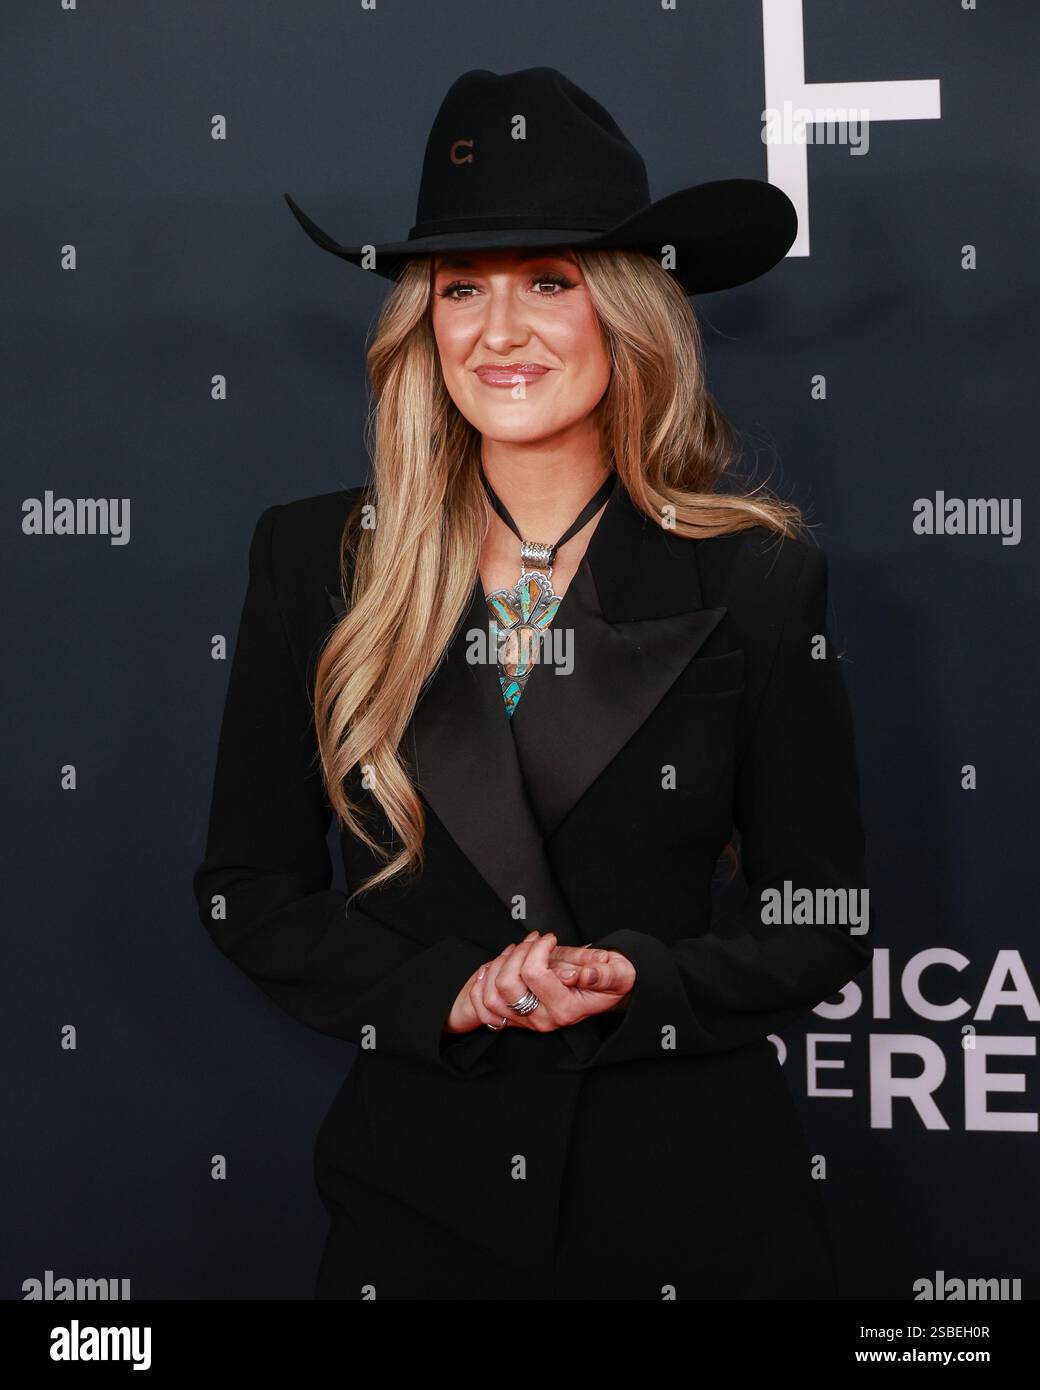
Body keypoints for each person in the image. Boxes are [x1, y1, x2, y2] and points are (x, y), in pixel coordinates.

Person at [193, 66, 873, 1300]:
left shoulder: (755, 580)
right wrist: (443, 990)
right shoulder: (315, 560)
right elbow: (248, 889)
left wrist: (640, 978)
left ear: (624, 313)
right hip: (417, 1203)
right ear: (423, 322)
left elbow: (818, 919)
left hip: (695, 1209)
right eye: (462, 290)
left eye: (548, 283)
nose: (497, 333)